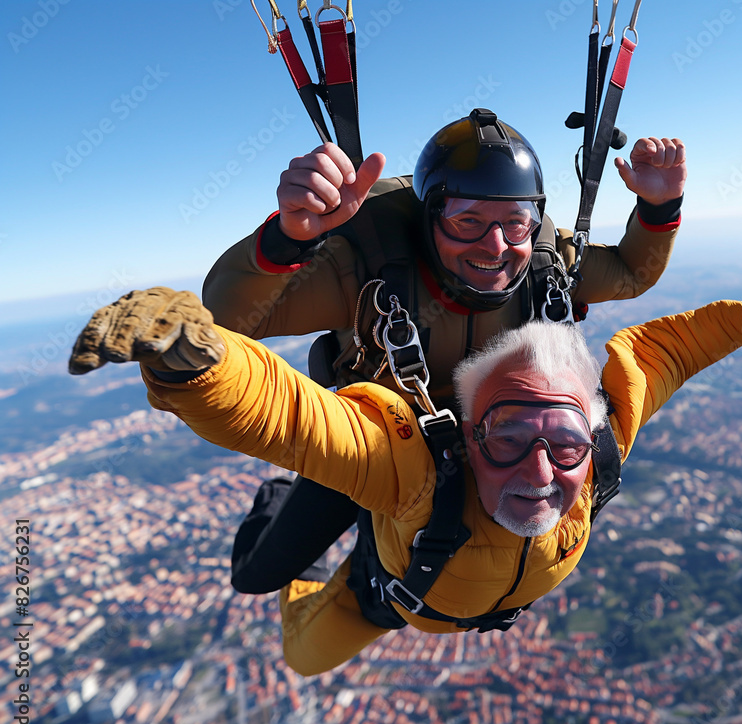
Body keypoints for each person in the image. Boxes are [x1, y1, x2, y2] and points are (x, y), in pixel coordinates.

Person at [69, 247, 742, 675]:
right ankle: (287, 506)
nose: (538, 469)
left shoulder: (599, 445)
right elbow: (289, 414)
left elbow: (669, 350)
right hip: (385, 590)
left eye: (563, 443)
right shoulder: (420, 467)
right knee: (293, 635)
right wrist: (198, 359)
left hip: (430, 581)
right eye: (506, 438)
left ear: (593, 432)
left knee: (306, 645)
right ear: (463, 433)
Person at [201, 108, 688, 593]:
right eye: (467, 221)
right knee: (258, 575)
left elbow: (629, 272)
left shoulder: (545, 264)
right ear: (429, 216)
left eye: (516, 223)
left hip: (492, 450)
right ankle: (280, 498)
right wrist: (286, 240)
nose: (495, 245)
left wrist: (659, 208)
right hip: (374, 447)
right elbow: (231, 316)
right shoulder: (367, 272)